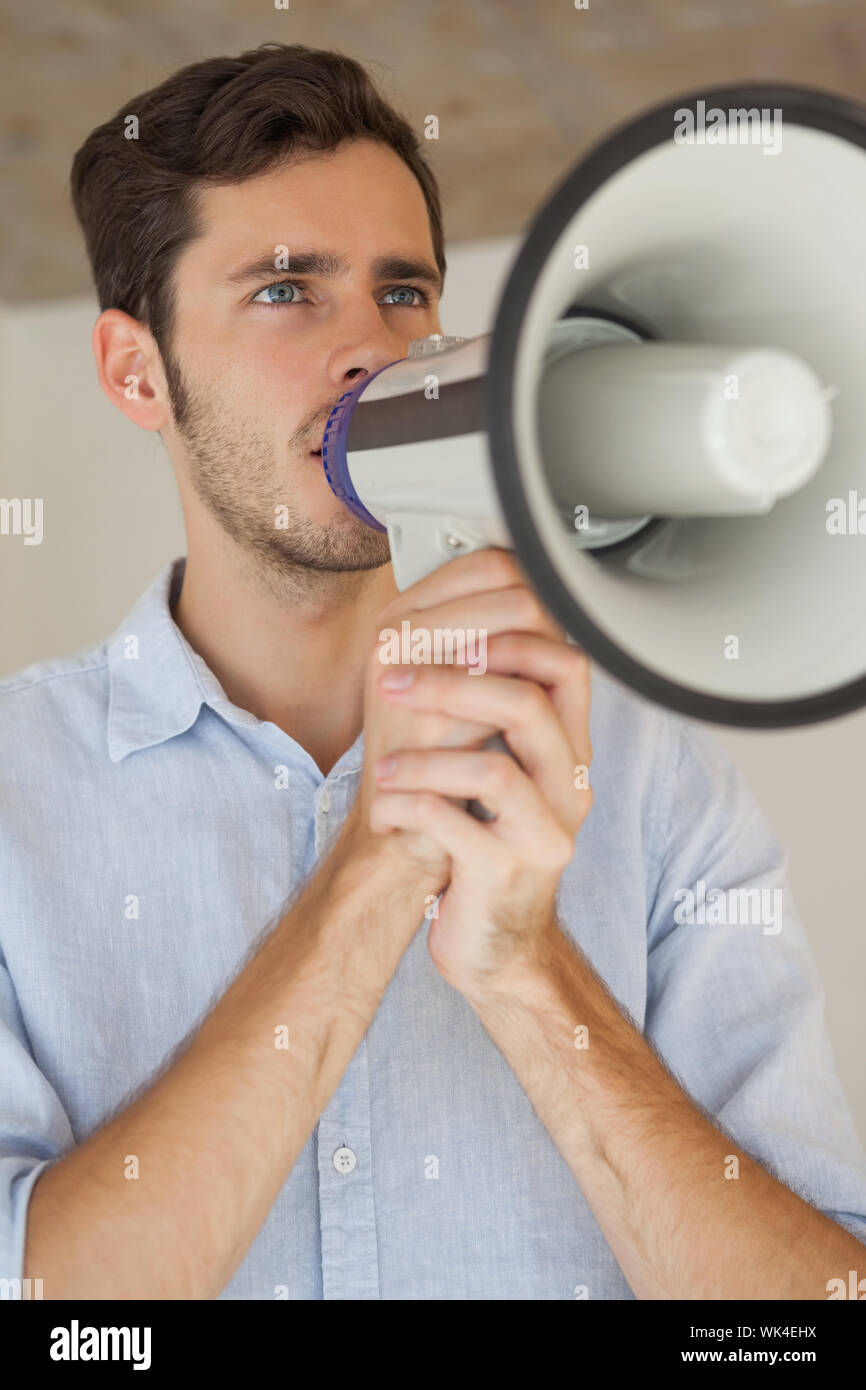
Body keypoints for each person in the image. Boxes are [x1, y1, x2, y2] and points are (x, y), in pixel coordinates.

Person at [1, 43, 865, 1302]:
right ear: (138, 372)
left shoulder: (649, 787)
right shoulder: (14, 794)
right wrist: (376, 866)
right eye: (287, 289)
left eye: (403, 292)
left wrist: (528, 971)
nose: (371, 349)